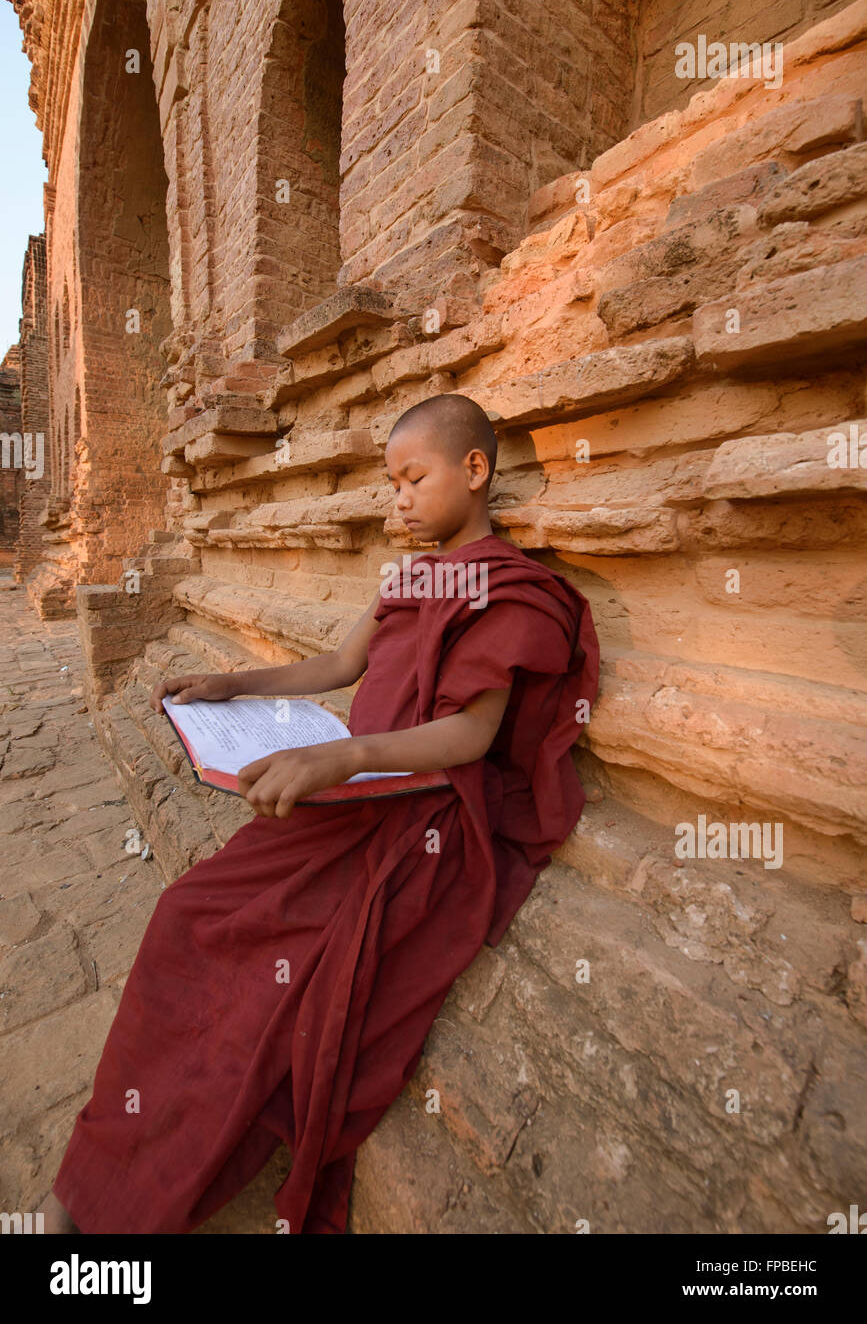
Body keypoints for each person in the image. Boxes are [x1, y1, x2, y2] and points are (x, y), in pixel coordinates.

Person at [40, 392, 600, 1234]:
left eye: (414, 479)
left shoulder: (510, 588)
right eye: (391, 482)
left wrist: (345, 754)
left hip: (414, 813)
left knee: (257, 965)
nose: (399, 499)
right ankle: (100, 1176)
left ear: (475, 470)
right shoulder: (412, 577)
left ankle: (131, 1191)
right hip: (351, 792)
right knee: (189, 916)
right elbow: (341, 662)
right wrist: (234, 683)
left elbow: (473, 734)